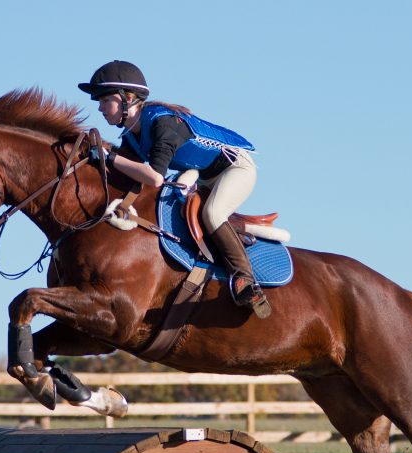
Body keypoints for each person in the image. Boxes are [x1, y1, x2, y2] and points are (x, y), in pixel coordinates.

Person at [78, 60, 271, 319]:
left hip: (236, 167)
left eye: (104, 100)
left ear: (128, 98)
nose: (100, 108)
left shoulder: (162, 124)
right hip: (203, 175)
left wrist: (108, 157)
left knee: (213, 213)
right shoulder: (132, 136)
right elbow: (130, 175)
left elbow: (155, 177)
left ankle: (245, 281)